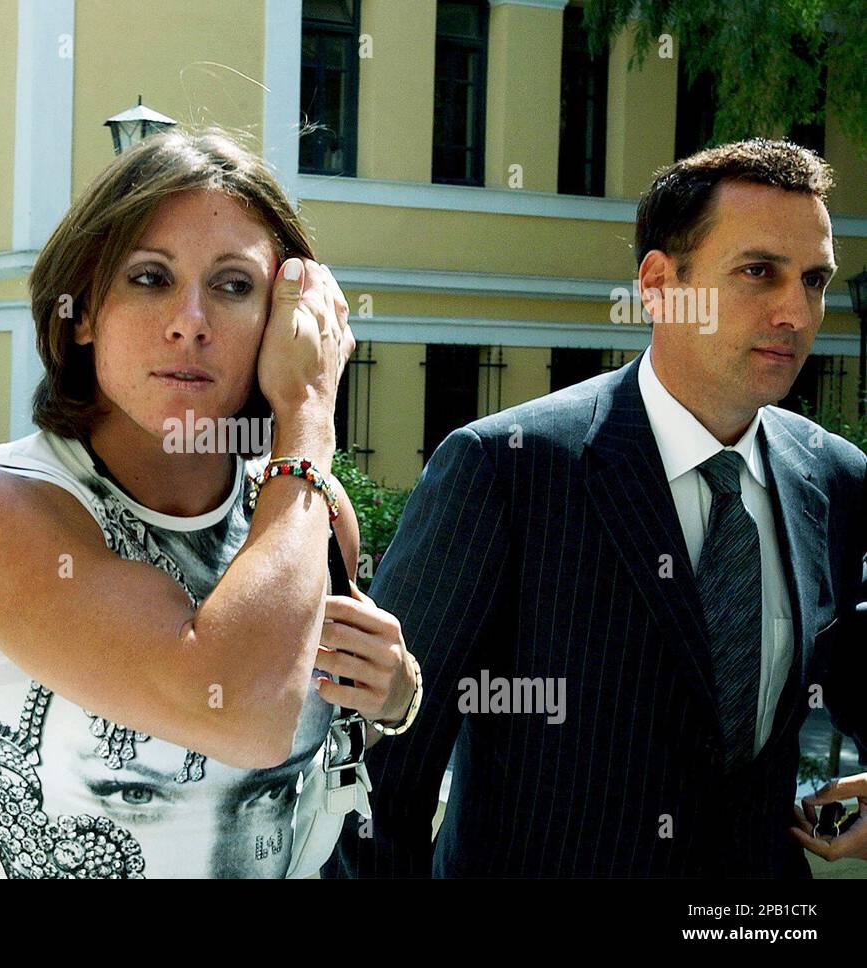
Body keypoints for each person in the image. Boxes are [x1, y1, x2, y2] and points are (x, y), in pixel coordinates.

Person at [328, 139, 866, 878]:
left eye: (814, 280)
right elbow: (376, 775)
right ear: (658, 283)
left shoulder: (833, 478)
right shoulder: (506, 471)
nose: (796, 311)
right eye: (757, 273)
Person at [0, 127, 419, 878]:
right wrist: (310, 411)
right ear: (82, 312)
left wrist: (391, 700)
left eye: (233, 285)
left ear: (283, 319)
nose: (191, 320)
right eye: (150, 278)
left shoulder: (308, 510)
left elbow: (290, 749)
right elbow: (241, 713)